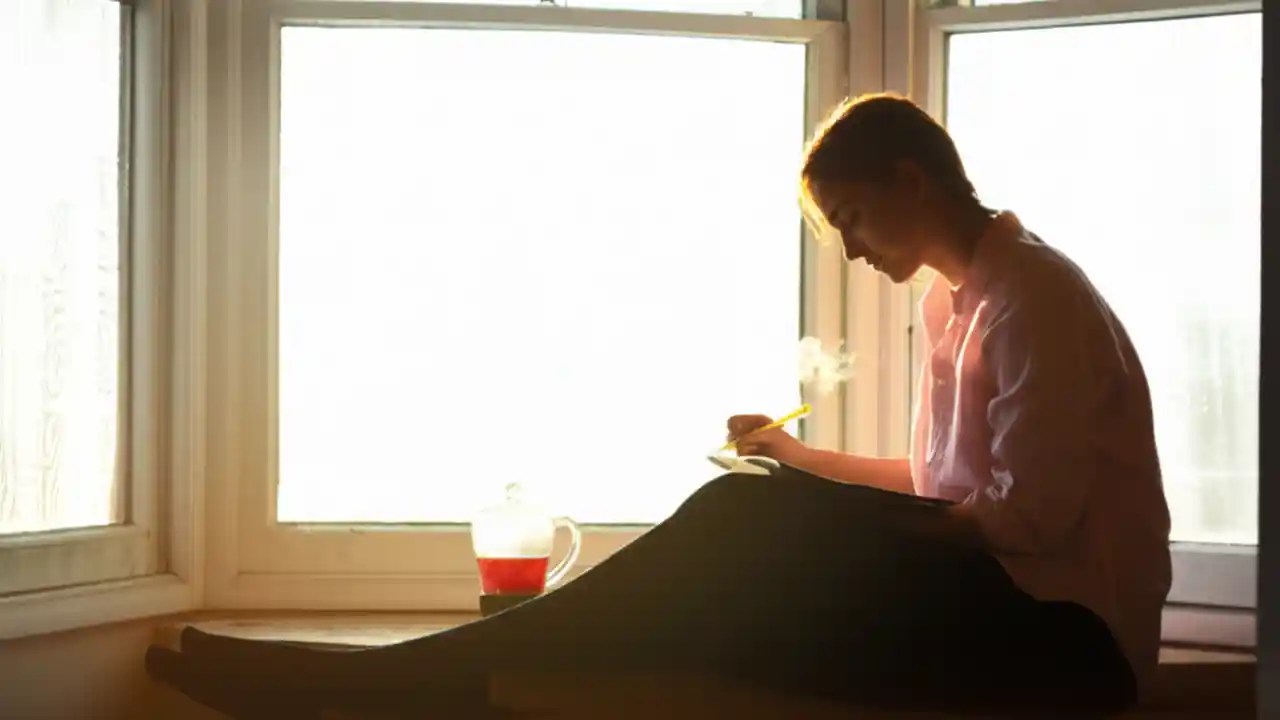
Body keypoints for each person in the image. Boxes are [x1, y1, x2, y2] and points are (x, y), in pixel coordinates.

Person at [146, 93, 1170, 718]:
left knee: (739, 532)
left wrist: (809, 513)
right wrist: (800, 466)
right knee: (738, 545)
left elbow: (1022, 521)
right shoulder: (958, 303)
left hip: (1067, 645)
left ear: (910, 181)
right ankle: (405, 685)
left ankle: (385, 685)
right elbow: (942, 489)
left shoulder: (1032, 296)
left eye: (854, 219)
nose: (853, 249)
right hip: (1002, 607)